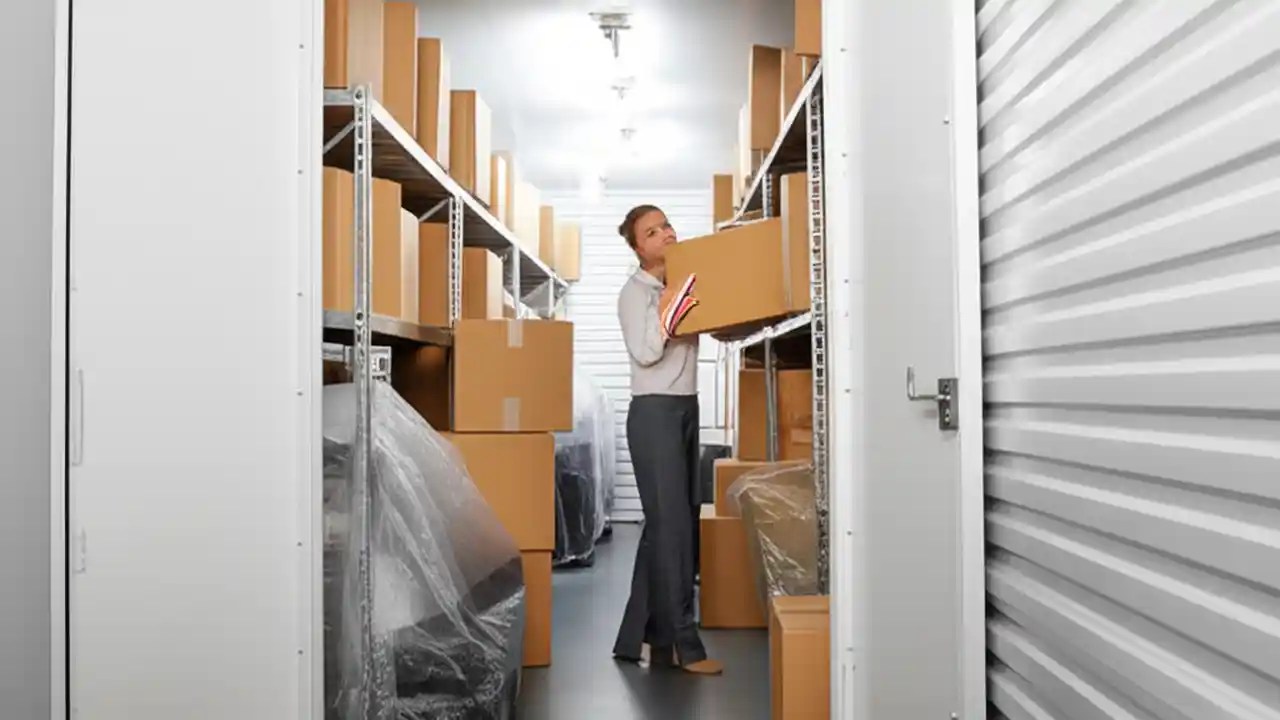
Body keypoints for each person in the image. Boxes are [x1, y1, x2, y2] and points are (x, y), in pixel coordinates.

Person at [611, 204, 724, 675]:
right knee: (673, 528)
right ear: (638, 247)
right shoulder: (636, 294)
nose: (665, 234)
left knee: (670, 525)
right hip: (654, 413)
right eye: (652, 231)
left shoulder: (676, 284)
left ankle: (639, 636)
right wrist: (673, 305)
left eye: (667, 225)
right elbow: (645, 352)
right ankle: (684, 643)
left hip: (685, 407)